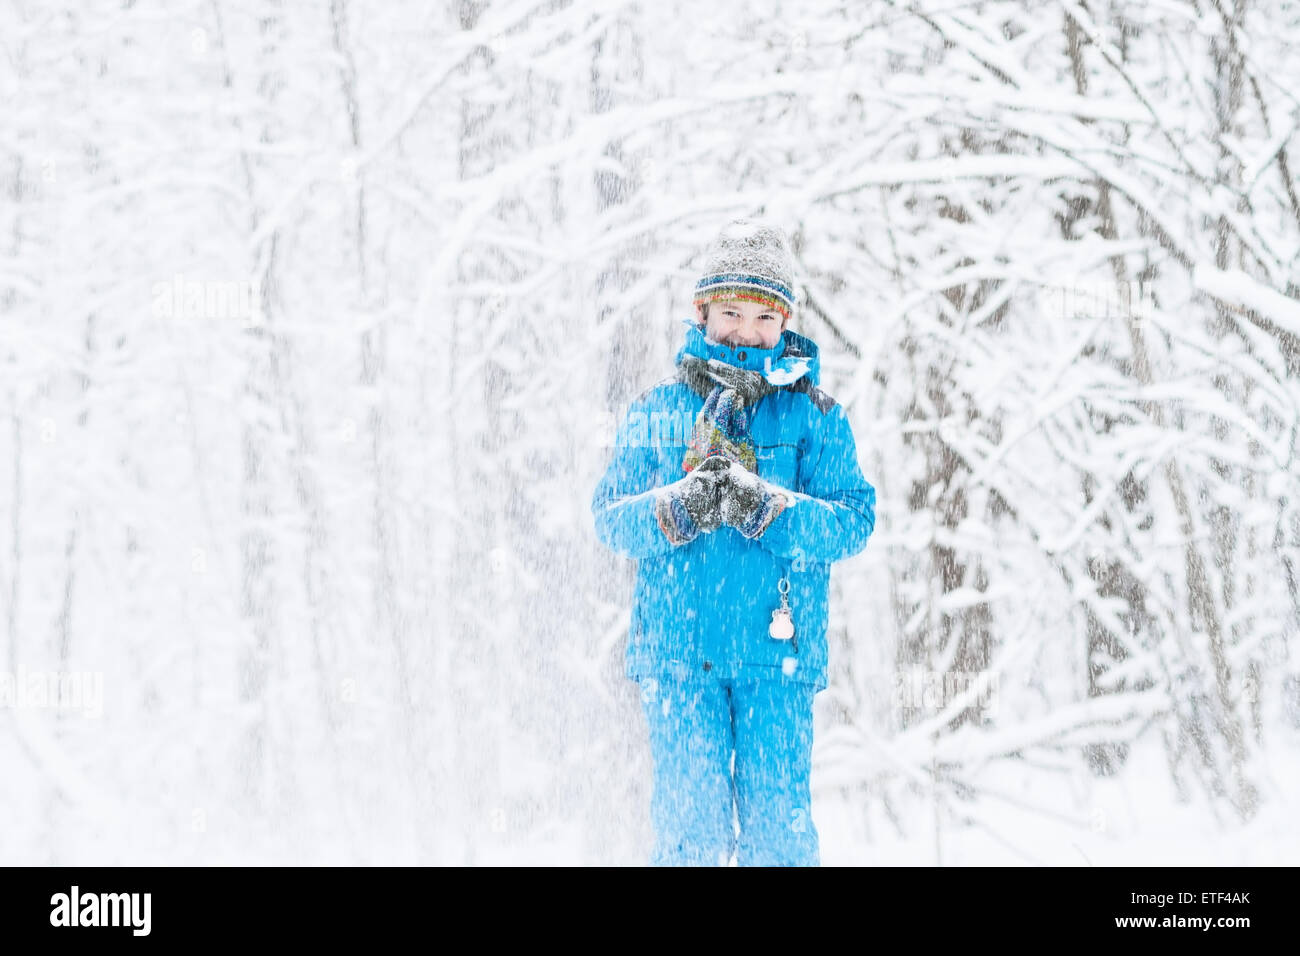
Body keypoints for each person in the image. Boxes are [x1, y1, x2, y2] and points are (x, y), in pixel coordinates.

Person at [591, 219, 876, 866]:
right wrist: (678, 508)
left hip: (777, 658)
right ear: (701, 313)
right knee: (690, 830)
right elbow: (610, 516)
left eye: (762, 317)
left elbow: (853, 520)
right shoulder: (659, 411)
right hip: (678, 655)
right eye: (729, 313)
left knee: (778, 832)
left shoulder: (813, 415)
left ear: (786, 320)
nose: (745, 331)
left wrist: (771, 510)